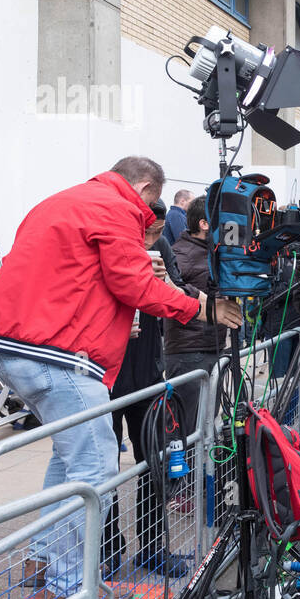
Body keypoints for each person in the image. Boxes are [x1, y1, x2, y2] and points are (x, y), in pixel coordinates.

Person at [0, 157, 242, 599]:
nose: (147, 220)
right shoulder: (114, 208)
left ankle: (45, 561)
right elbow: (132, 284)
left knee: (66, 463)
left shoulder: (64, 201)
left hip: (20, 346)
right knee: (94, 470)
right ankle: (72, 589)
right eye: (150, 205)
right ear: (146, 187)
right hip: (57, 353)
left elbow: (83, 276)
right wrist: (201, 308)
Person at [105, 198, 197, 579]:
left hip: (146, 370)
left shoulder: (158, 246)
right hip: (104, 376)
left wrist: (162, 283)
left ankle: (153, 546)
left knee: (153, 461)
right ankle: (107, 552)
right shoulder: (108, 243)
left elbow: (176, 292)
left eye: (159, 232)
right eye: (148, 231)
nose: (153, 238)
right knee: (103, 467)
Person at [165, 195, 225, 423]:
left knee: (208, 422)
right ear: (204, 223)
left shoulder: (211, 252)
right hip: (188, 354)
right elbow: (169, 292)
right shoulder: (181, 254)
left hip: (212, 348)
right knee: (186, 426)